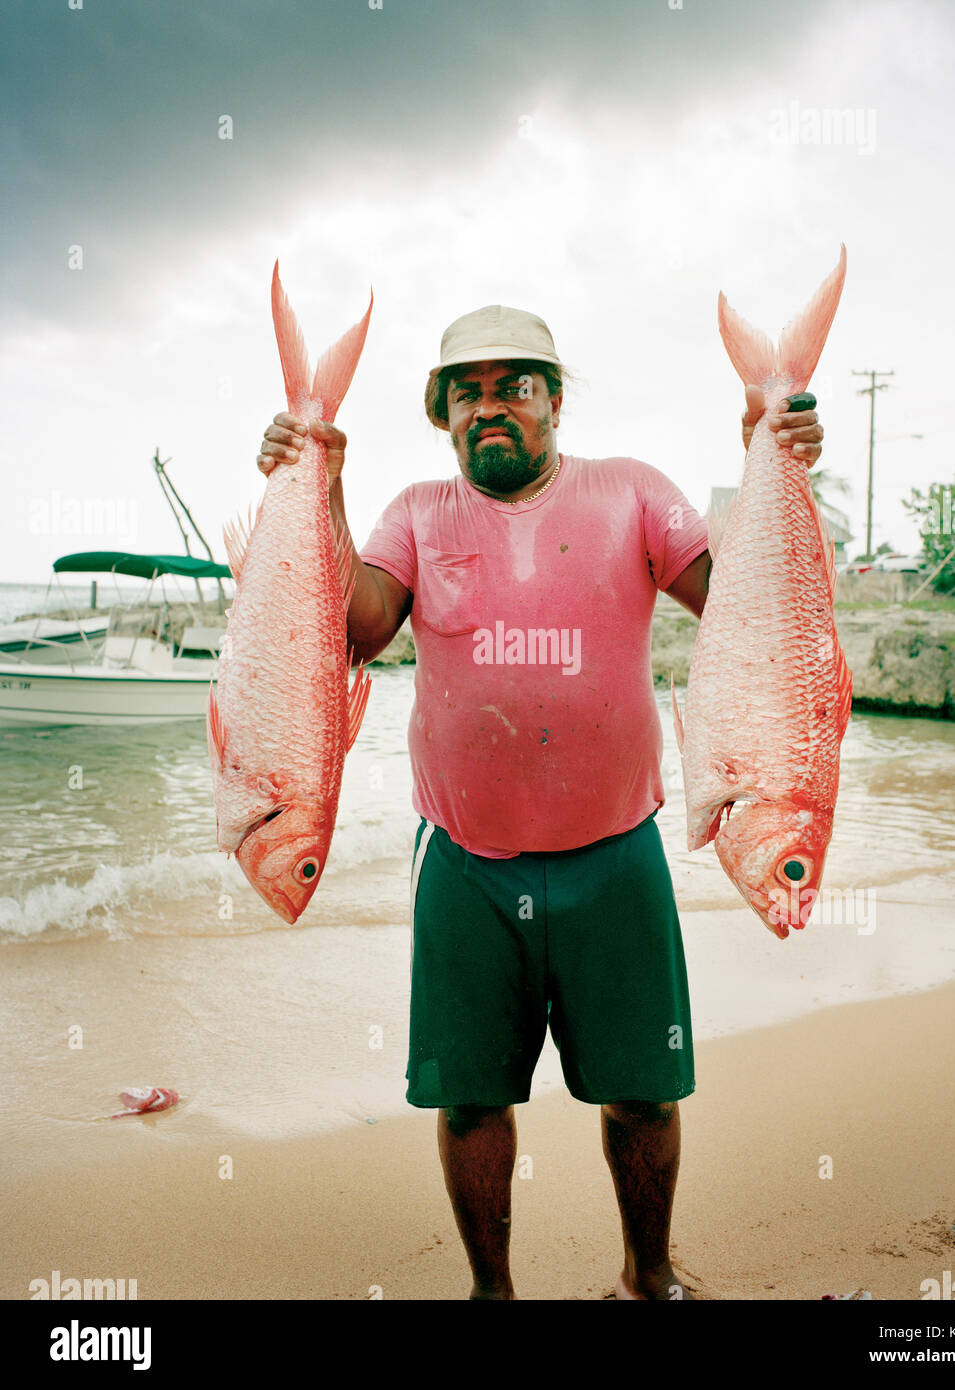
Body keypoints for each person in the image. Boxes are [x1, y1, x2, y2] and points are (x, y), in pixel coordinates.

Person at [256, 304, 823, 1300]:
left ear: (555, 400)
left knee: (645, 1092)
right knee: (471, 1100)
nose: (490, 407)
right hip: (467, 863)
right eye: (465, 392)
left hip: (617, 852)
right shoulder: (416, 513)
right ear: (443, 415)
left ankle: (648, 1276)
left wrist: (770, 456)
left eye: (514, 385)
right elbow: (356, 632)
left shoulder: (633, 494)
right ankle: (492, 1293)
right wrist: (320, 486)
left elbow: (739, 606)